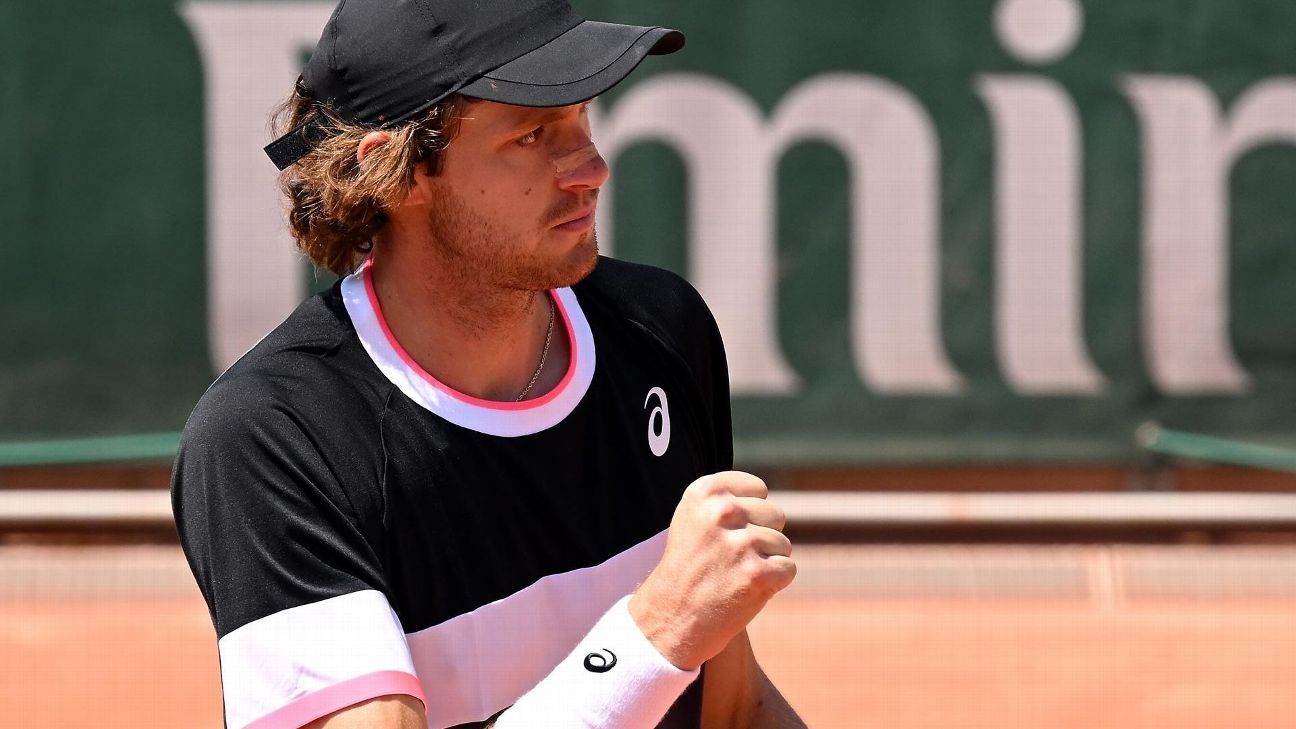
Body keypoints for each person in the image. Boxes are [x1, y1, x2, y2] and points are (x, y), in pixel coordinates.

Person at [171, 1, 803, 727]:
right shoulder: (272, 437)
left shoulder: (660, 329)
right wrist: (653, 634)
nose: (592, 167)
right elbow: (673, 637)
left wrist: (673, 636)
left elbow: (730, 706)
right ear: (393, 171)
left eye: (583, 118)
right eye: (533, 134)